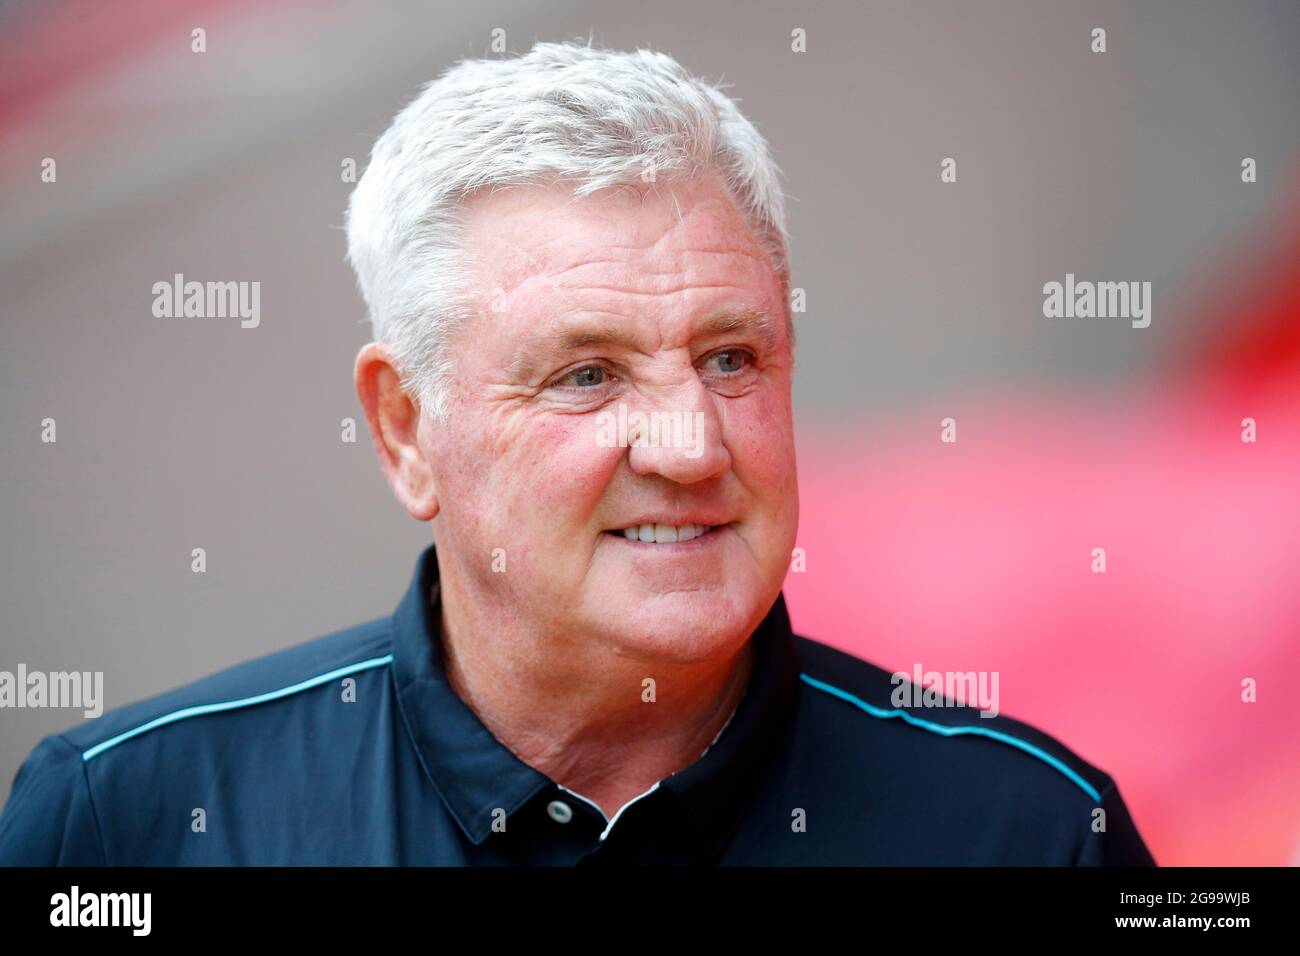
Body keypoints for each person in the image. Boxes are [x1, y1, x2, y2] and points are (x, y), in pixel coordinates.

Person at [0, 40, 1154, 866]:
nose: (692, 444)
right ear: (407, 428)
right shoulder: (130, 819)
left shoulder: (1029, 828)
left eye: (730, 358)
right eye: (587, 374)